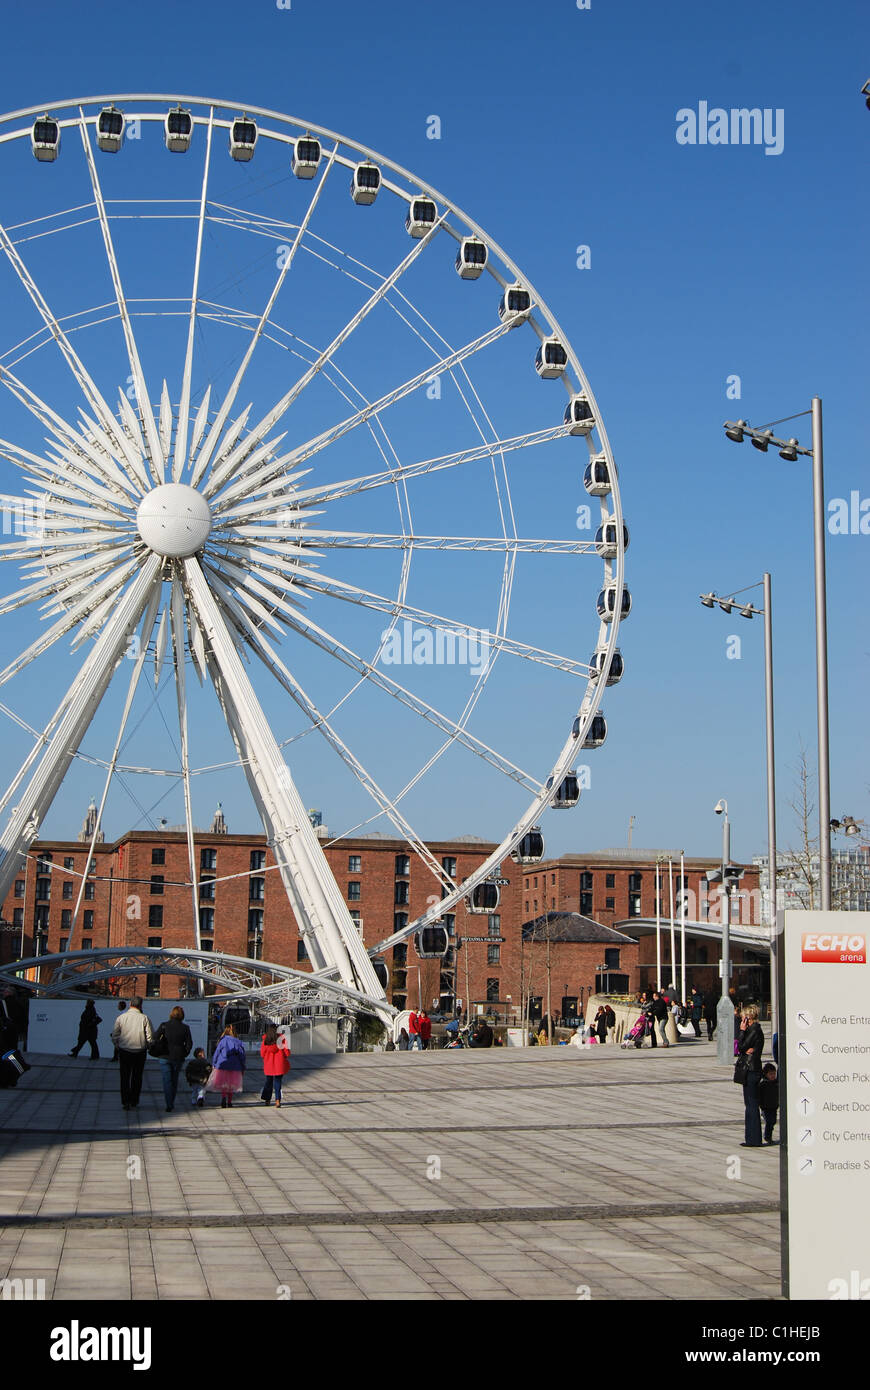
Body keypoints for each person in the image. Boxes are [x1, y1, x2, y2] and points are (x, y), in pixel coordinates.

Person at [111, 995, 153, 1110]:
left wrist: (118, 1046)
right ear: (141, 1005)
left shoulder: (121, 1018)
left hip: (125, 1051)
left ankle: (125, 1101)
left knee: (124, 1077)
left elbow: (115, 1035)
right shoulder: (144, 1018)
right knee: (137, 1076)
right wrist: (148, 1046)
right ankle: (134, 1099)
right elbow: (150, 1037)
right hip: (140, 1051)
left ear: (130, 1004)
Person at [152, 1005, 193, 1113]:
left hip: (164, 1056)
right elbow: (189, 1043)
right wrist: (185, 1053)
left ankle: (169, 1103)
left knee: (167, 1081)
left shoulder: (164, 1025)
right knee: (174, 1080)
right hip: (178, 1057)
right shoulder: (185, 1028)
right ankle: (171, 1102)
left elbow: (155, 1037)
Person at [736, 1003, 765, 1147]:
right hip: (751, 1069)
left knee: (752, 1105)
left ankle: (754, 1139)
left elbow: (740, 1046)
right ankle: (751, 1138)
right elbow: (743, 1048)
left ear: (749, 1018)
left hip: (751, 1070)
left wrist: (742, 1031)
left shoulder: (754, 1030)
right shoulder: (753, 1030)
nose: (742, 1020)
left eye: (743, 1018)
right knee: (749, 1104)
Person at [208, 1024, 246, 1107]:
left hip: (223, 1064)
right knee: (231, 1084)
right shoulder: (238, 1042)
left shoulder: (223, 1041)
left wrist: (214, 1063)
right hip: (235, 1065)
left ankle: (223, 1098)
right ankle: (229, 1101)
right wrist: (243, 1065)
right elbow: (242, 1055)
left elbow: (217, 1053)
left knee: (224, 1083)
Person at [260, 1023, 291, 1107]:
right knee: (278, 1082)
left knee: (268, 1082)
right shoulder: (282, 1039)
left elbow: (262, 1054)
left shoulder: (265, 1040)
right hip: (279, 1064)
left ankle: (267, 1099)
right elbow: (287, 1053)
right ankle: (277, 1100)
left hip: (268, 1064)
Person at [758, 1062, 779, 1145]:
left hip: (774, 1107)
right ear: (766, 1074)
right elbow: (760, 1096)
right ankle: (767, 1136)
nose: (773, 1076)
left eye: (774, 1074)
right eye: (770, 1074)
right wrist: (761, 1105)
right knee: (769, 1122)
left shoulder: (776, 1083)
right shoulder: (763, 1084)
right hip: (766, 1108)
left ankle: (768, 1136)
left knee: (773, 1121)